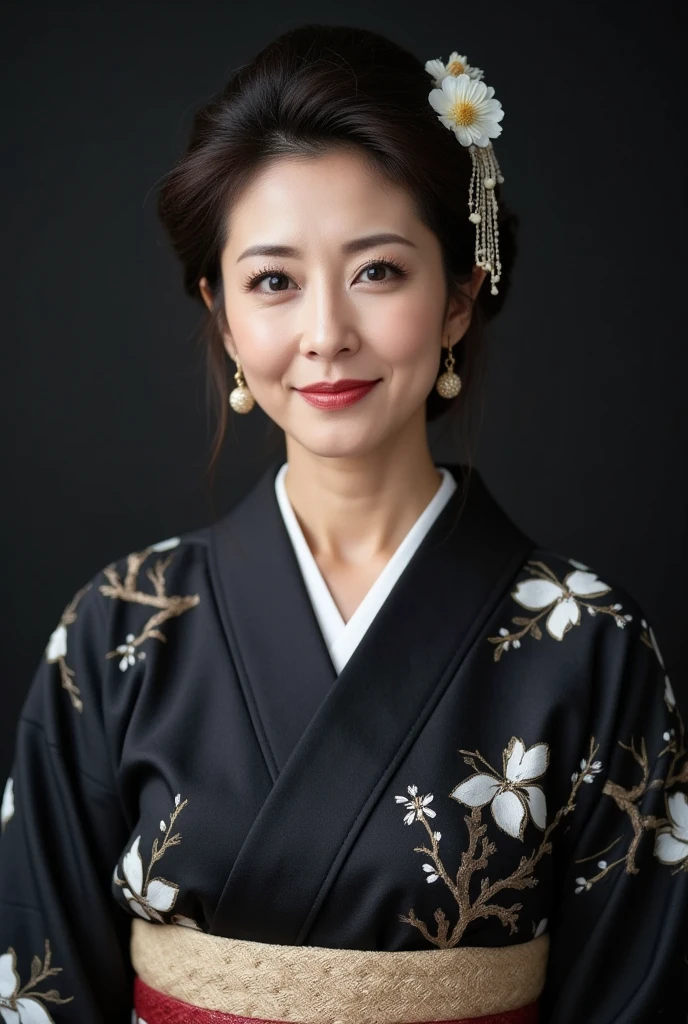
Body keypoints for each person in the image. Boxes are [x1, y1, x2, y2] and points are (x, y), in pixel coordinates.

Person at [1, 22, 686, 1024]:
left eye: (378, 270)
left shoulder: (589, 645)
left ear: (458, 295)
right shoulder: (118, 630)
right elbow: (38, 978)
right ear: (223, 314)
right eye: (273, 281)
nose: (326, 333)